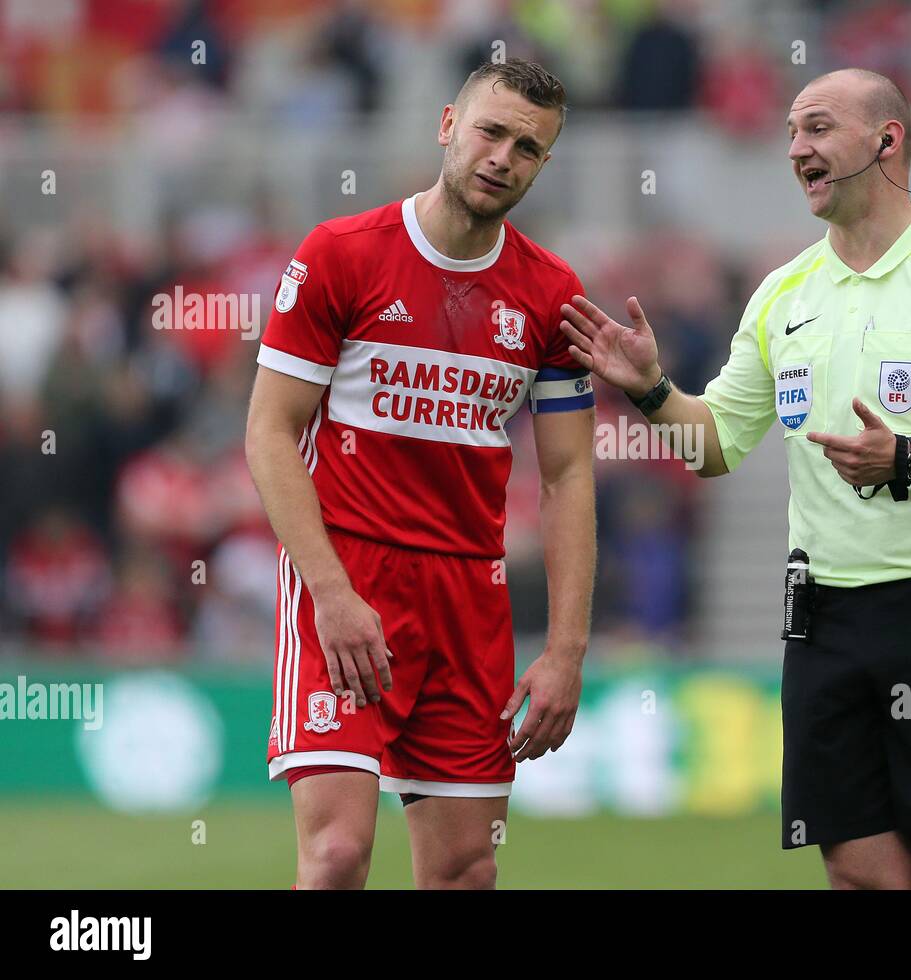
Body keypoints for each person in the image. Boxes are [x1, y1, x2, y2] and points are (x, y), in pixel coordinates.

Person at [561, 68, 911, 889]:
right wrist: (651, 388)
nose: (797, 147)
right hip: (825, 623)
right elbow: (715, 445)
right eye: (793, 132)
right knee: (860, 875)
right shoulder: (782, 295)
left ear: (887, 141)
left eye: (819, 128)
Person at [245, 59, 596, 889]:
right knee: (335, 857)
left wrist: (569, 649)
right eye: (491, 131)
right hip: (350, 575)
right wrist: (330, 593)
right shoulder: (341, 254)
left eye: (527, 147)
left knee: (467, 871)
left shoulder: (550, 294)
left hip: (469, 596)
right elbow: (269, 433)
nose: (503, 156)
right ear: (447, 124)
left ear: (543, 165)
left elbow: (571, 475)